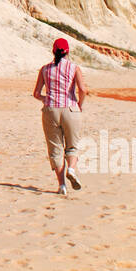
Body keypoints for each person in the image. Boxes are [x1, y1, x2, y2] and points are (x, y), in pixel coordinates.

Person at [32, 37, 88, 197]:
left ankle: (62, 185)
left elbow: (36, 93)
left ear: (53, 51)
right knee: (72, 146)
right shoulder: (74, 67)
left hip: (51, 110)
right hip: (70, 109)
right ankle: (71, 169)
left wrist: (46, 99)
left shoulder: (45, 69)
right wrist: (79, 104)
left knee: (55, 150)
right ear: (68, 52)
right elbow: (83, 89)